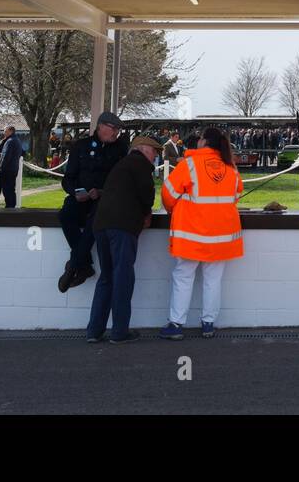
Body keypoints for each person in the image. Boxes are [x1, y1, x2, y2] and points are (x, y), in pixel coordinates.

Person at [159, 127, 244, 340]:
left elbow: (168, 194)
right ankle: (208, 324)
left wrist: (174, 209)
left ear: (205, 142)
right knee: (213, 280)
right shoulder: (231, 168)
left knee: (183, 277)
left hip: (191, 235)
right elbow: (236, 194)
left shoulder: (189, 165)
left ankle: (176, 325)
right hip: (222, 236)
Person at [86, 135, 159, 343]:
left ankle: (94, 330)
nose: (155, 156)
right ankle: (119, 331)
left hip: (101, 224)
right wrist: (146, 214)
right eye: (154, 151)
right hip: (123, 226)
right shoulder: (141, 165)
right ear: (143, 150)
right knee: (123, 277)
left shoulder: (122, 165)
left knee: (106, 277)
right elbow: (147, 195)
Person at [57, 111, 129, 293]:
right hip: (81, 198)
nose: (116, 133)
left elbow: (121, 182)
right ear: (101, 126)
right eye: (113, 129)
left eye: (118, 130)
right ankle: (84, 264)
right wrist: (75, 192)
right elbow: (68, 179)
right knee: (66, 215)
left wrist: (102, 192)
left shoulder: (120, 150)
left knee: (94, 222)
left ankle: (74, 265)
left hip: (105, 200)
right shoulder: (81, 146)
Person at [0, 125, 24, 208]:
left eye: (5, 131)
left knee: (7, 189)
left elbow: (6, 156)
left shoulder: (10, 141)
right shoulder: (17, 140)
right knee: (11, 189)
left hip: (7, 170)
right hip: (13, 169)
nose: (4, 133)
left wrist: (1, 168)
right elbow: (23, 153)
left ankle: (9, 207)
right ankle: (12, 206)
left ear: (10, 131)